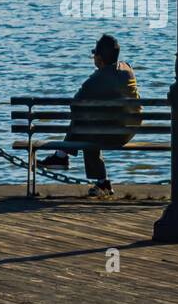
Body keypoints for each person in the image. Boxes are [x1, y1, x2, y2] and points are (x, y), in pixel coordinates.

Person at [41, 34, 142, 196]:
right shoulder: (126, 68)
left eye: (94, 54)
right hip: (130, 128)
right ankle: (101, 183)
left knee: (84, 123)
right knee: (90, 124)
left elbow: (75, 104)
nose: (93, 57)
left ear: (100, 59)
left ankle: (61, 156)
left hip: (114, 133)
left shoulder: (97, 79)